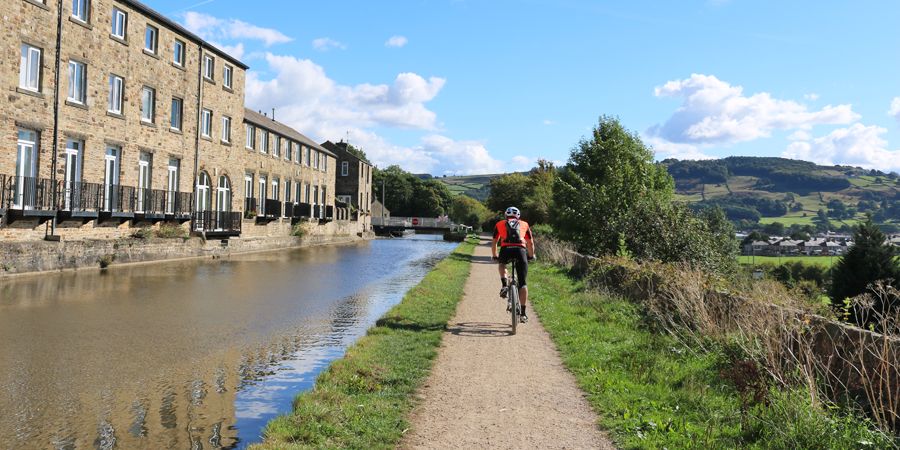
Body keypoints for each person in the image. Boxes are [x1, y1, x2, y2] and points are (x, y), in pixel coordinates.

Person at [491, 206, 535, 323]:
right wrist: (530, 255)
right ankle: (523, 314)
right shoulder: (524, 224)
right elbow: (530, 243)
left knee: (502, 264)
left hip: (506, 249)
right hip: (520, 251)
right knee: (523, 283)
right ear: (518, 216)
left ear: (506, 215)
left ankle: (504, 284)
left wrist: (495, 255)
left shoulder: (499, 224)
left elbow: (495, 241)